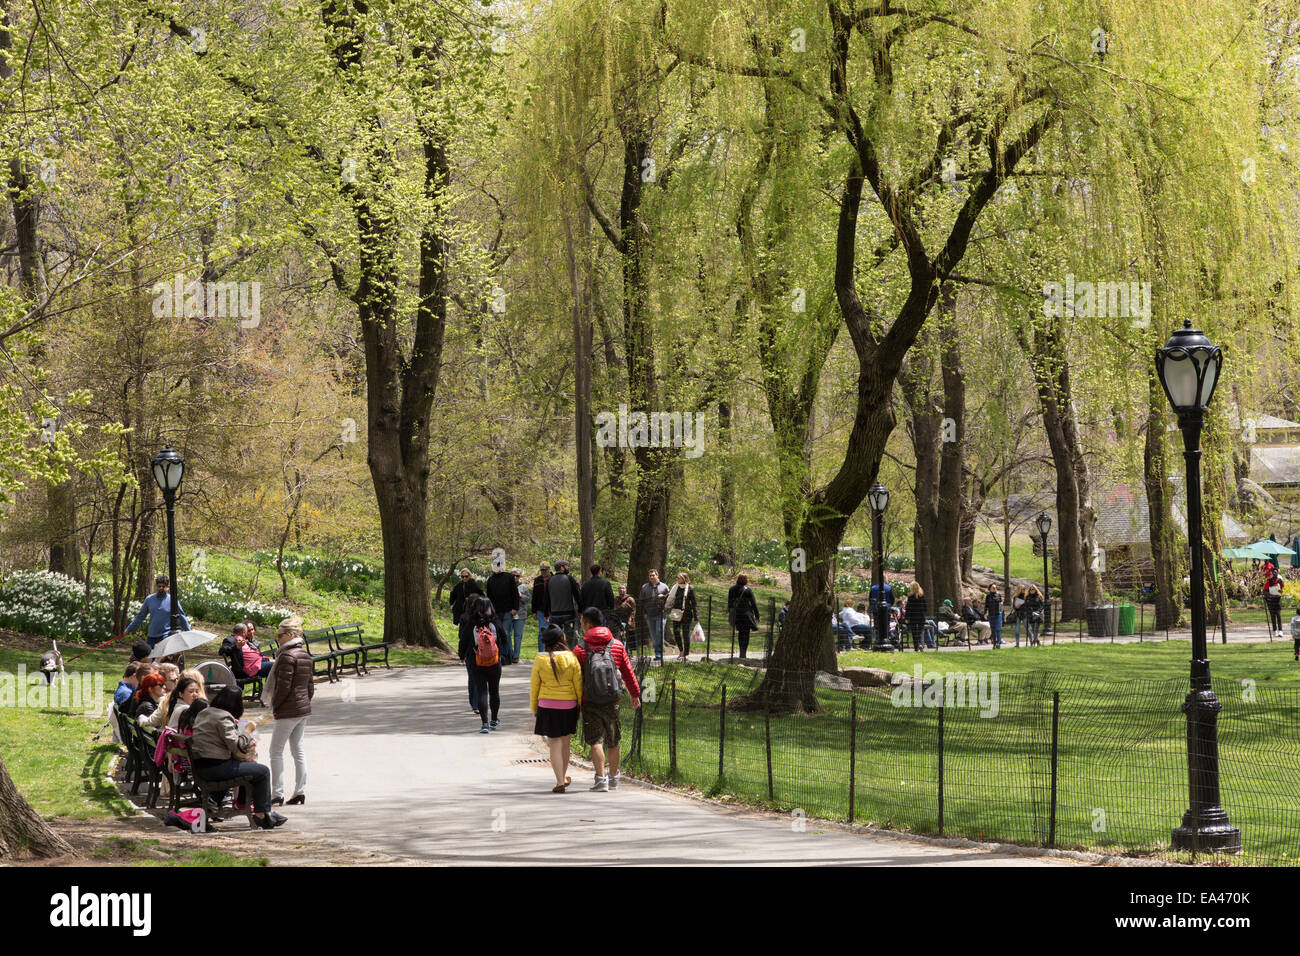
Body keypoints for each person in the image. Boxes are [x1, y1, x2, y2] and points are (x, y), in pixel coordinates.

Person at [190, 686, 284, 830]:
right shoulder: (223, 716)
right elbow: (237, 746)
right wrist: (247, 731)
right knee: (262, 771)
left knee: (251, 767)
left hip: (201, 766)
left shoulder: (204, 712)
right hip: (216, 768)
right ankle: (261, 815)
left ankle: (255, 809)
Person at [572, 607, 641, 791]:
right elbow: (627, 671)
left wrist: (575, 702)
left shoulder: (580, 648)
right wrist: (635, 694)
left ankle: (600, 779)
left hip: (589, 701)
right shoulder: (617, 645)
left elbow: (576, 679)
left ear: (587, 624)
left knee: (595, 740)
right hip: (612, 699)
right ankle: (614, 778)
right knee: (613, 740)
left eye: (582, 624)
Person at [266, 613, 313, 806]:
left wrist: (275, 706)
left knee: (275, 751)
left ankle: (277, 793)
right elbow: (309, 685)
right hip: (302, 709)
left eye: (280, 635)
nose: (277, 639)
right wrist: (306, 702)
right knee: (298, 749)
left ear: (290, 635)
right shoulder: (305, 654)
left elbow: (283, 687)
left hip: (288, 709)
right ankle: (300, 791)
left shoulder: (286, 656)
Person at [529, 624, 583, 792]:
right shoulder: (571, 657)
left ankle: (560, 781)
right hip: (569, 705)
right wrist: (579, 706)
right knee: (565, 742)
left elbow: (534, 686)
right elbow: (578, 684)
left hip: (547, 705)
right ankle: (563, 776)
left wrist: (534, 708)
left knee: (554, 744)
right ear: (562, 638)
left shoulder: (540, 659)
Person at [459, 595, 503, 733]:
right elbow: (505, 638)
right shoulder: (495, 622)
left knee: (482, 691)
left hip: (476, 662)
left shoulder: (471, 622)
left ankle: (484, 724)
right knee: (494, 691)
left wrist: (461, 655)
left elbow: (464, 640)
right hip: (494, 662)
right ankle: (494, 721)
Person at [124, 574, 191, 651]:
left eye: (163, 586)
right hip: (151, 636)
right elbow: (140, 616)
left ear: (168, 587)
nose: (161, 588)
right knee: (149, 660)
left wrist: (188, 632)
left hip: (165, 635)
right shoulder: (149, 599)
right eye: (159, 586)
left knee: (160, 660)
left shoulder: (173, 600)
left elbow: (181, 616)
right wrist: (129, 629)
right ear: (156, 586)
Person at [485, 561, 521, 665]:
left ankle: (506, 656)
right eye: (495, 566)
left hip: (508, 610)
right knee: (497, 634)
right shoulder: (491, 580)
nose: (497, 567)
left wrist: (515, 608)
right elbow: (489, 597)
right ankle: (499, 656)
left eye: (499, 565)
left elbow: (515, 593)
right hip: (495, 612)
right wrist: (489, 611)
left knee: (505, 633)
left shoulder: (509, 577)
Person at [546, 560, 583, 644]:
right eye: (567, 566)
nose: (568, 567)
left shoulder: (550, 580)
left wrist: (546, 613)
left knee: (556, 637)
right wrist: (580, 610)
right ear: (562, 567)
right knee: (570, 638)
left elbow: (546, 598)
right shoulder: (569, 579)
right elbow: (577, 596)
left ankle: (557, 653)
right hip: (568, 614)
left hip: (554, 614)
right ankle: (570, 654)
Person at [664, 572, 698, 662]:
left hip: (687, 614)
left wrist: (696, 617)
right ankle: (681, 651)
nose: (677, 579)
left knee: (685, 634)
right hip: (676, 613)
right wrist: (663, 599)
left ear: (684, 579)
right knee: (676, 632)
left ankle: (686, 654)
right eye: (677, 577)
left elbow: (694, 604)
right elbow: (670, 596)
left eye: (679, 578)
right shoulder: (676, 588)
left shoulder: (690, 588)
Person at [728, 574, 761, 658]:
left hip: (737, 615)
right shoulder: (748, 590)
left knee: (740, 634)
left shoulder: (731, 589)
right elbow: (753, 604)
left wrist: (731, 613)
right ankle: (743, 653)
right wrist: (757, 616)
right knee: (746, 634)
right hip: (746, 616)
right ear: (746, 580)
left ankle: (741, 651)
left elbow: (730, 604)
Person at [531, 564, 553, 653]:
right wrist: (534, 611)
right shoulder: (537, 580)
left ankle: (552, 651)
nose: (543, 572)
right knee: (542, 632)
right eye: (542, 570)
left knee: (553, 631)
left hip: (552, 609)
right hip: (541, 610)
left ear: (549, 569)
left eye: (545, 570)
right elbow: (534, 596)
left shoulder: (554, 579)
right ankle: (542, 653)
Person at [905, 581, 928, 652]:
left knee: (914, 632)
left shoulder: (910, 597)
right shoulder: (922, 596)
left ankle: (916, 647)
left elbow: (908, 608)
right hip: (921, 616)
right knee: (920, 632)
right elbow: (925, 607)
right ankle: (920, 644)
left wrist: (906, 617)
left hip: (913, 617)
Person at [1263, 562, 1284, 636]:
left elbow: (1282, 589)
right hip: (1271, 600)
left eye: (1276, 572)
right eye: (1273, 572)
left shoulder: (1280, 581)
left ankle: (1280, 630)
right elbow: (1264, 591)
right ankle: (1274, 630)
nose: (1275, 573)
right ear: (1272, 573)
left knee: (1278, 615)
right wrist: (1269, 595)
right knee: (1272, 615)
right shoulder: (1269, 581)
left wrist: (1280, 591)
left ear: (1277, 573)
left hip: (1277, 599)